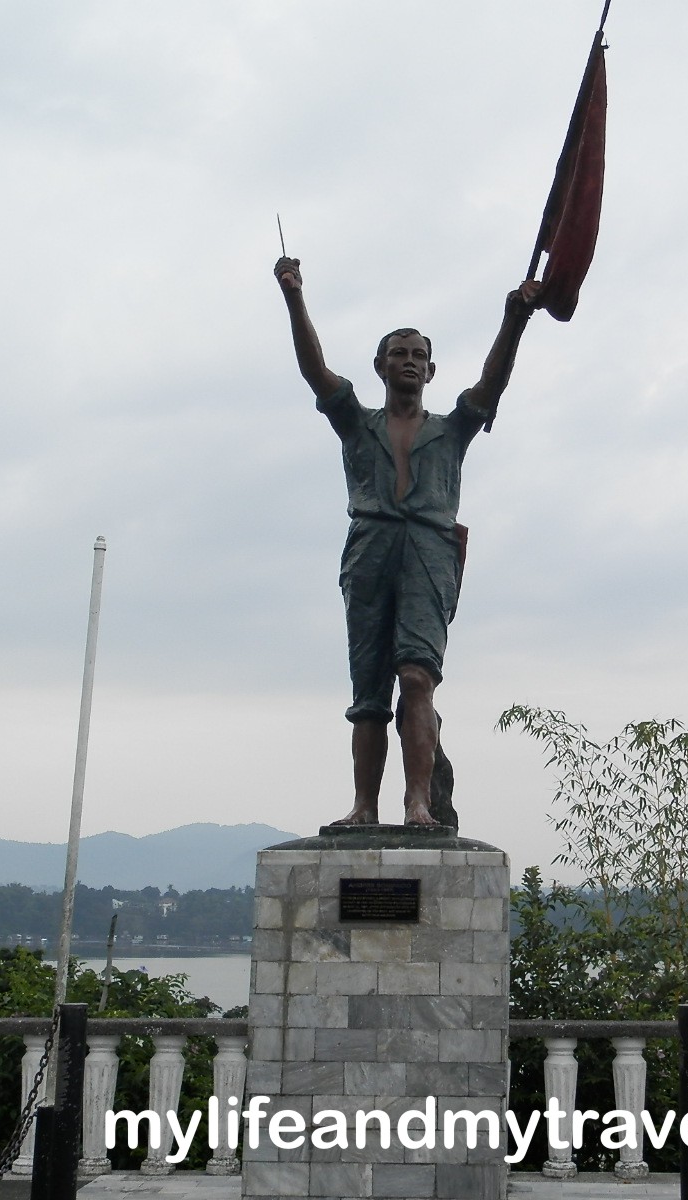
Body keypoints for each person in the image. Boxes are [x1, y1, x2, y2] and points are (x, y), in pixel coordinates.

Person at [276, 254, 540, 826]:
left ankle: (418, 802)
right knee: (368, 690)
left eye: (420, 356)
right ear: (380, 366)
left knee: (417, 677)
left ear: (432, 370)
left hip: (428, 552)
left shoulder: (451, 431)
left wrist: (514, 319)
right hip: (370, 550)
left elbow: (490, 385)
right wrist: (295, 297)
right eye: (400, 354)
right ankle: (363, 807)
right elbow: (314, 370)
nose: (410, 363)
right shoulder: (355, 420)